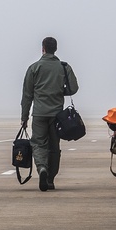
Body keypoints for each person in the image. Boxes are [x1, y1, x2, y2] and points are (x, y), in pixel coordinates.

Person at [20, 37, 79, 192]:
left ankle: (41, 168)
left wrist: (24, 117)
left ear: (43, 48)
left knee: (38, 143)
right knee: (54, 146)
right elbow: (73, 88)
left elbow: (27, 95)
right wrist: (60, 91)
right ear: (56, 49)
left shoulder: (34, 68)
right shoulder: (64, 67)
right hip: (57, 115)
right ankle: (51, 179)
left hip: (39, 113)